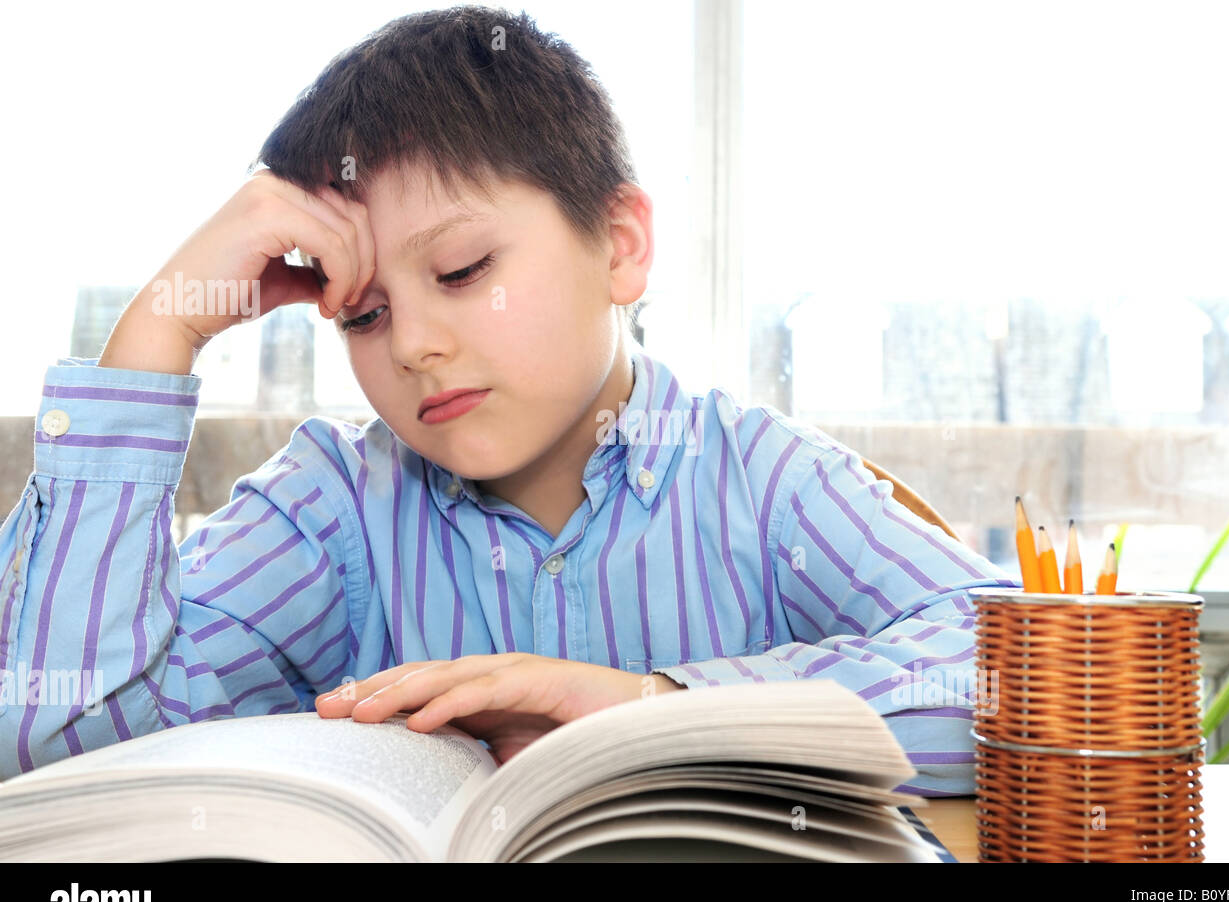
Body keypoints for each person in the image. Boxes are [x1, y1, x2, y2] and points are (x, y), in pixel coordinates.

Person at [0, 6, 1017, 793]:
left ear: (618, 245)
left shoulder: (761, 481)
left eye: (460, 267)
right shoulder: (331, 509)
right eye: (360, 315)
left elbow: (1030, 671)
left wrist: (656, 707)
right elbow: (58, 742)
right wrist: (156, 335)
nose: (414, 343)